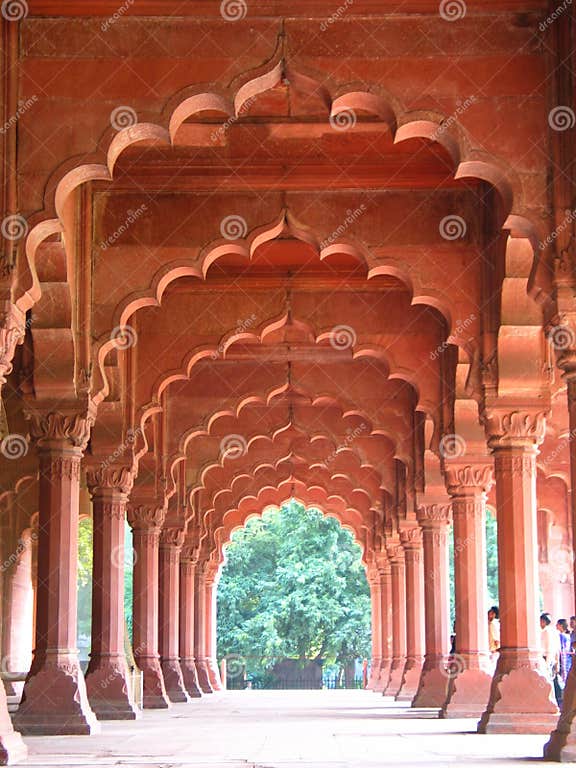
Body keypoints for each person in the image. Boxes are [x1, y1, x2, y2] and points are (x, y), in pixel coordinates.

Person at [541, 612, 562, 705]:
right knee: (552, 679)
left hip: (547, 658)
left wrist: (547, 662)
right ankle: (556, 699)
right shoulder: (555, 632)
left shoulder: (546, 632)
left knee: (548, 680)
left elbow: (548, 647)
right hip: (552, 658)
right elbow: (557, 649)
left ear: (543, 621)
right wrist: (557, 662)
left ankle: (551, 700)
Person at [557, 619, 572, 685]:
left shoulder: (561, 635)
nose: (556, 626)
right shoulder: (568, 635)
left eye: (557, 624)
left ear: (561, 625)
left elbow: (561, 648)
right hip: (567, 657)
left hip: (563, 657)